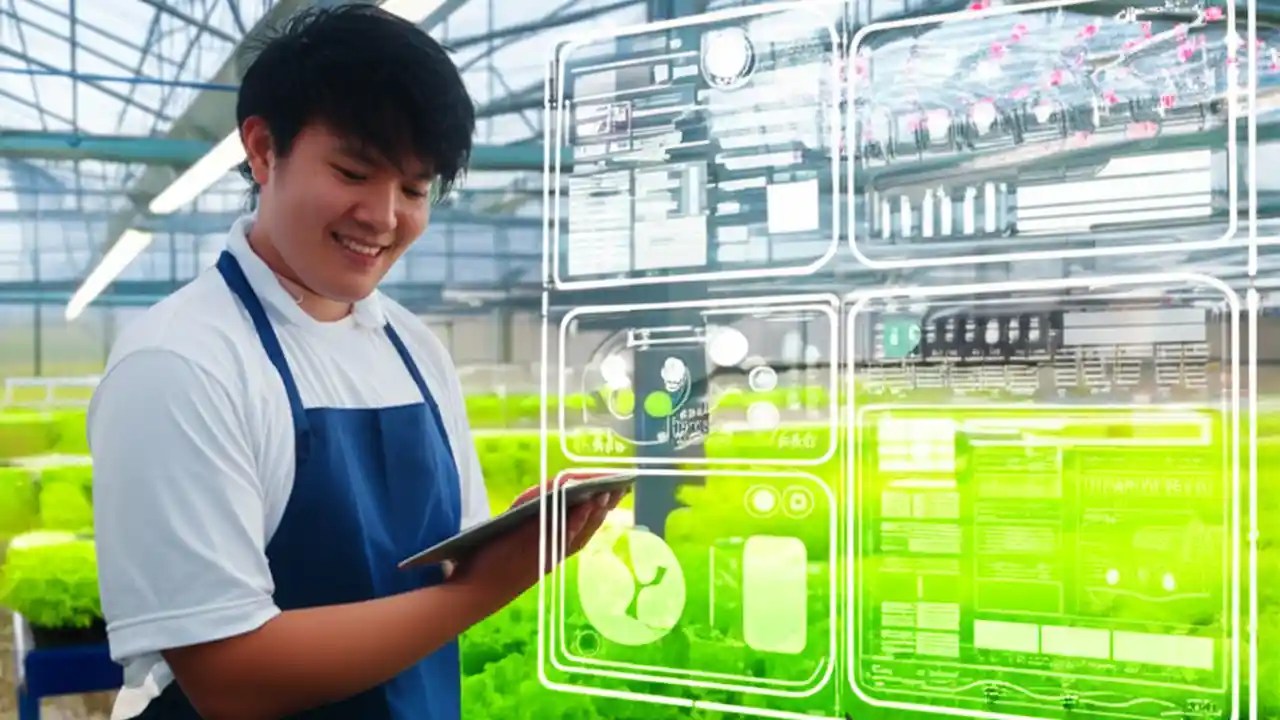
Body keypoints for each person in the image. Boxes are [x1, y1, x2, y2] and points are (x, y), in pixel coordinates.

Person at [87, 5, 620, 720]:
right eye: (352, 171)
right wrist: (485, 588)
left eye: (414, 189)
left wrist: (506, 548)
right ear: (262, 149)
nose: (383, 215)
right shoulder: (180, 362)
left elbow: (441, 573)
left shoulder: (414, 351)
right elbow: (229, 675)